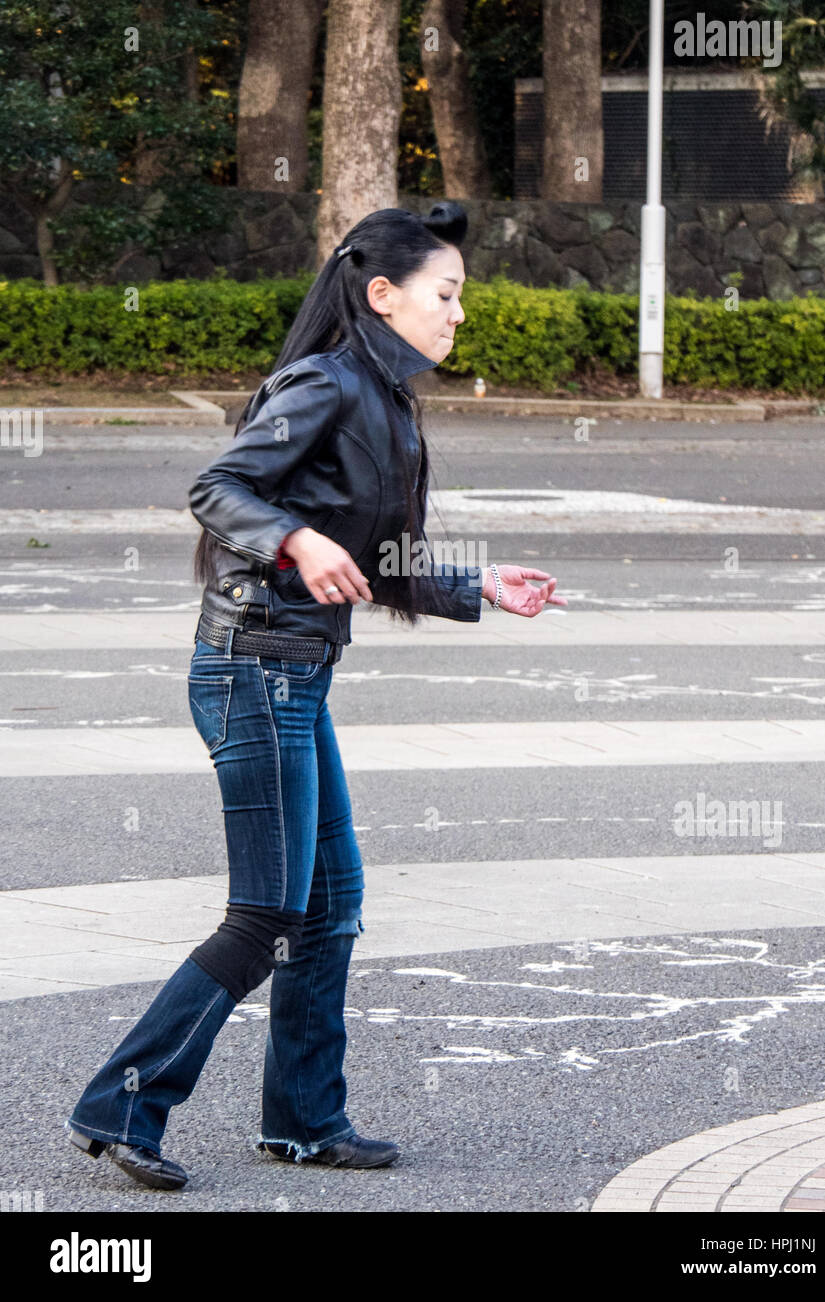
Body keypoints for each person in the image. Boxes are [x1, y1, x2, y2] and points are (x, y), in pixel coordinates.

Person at [65, 201, 567, 1191]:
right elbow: (216, 489)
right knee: (263, 914)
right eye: (445, 293)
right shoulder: (327, 385)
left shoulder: (384, 400)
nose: (457, 313)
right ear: (381, 295)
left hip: (291, 671)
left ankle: (300, 1117)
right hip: (252, 666)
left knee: (328, 907)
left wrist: (481, 587)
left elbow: (379, 565)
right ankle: (119, 1100)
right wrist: (294, 538)